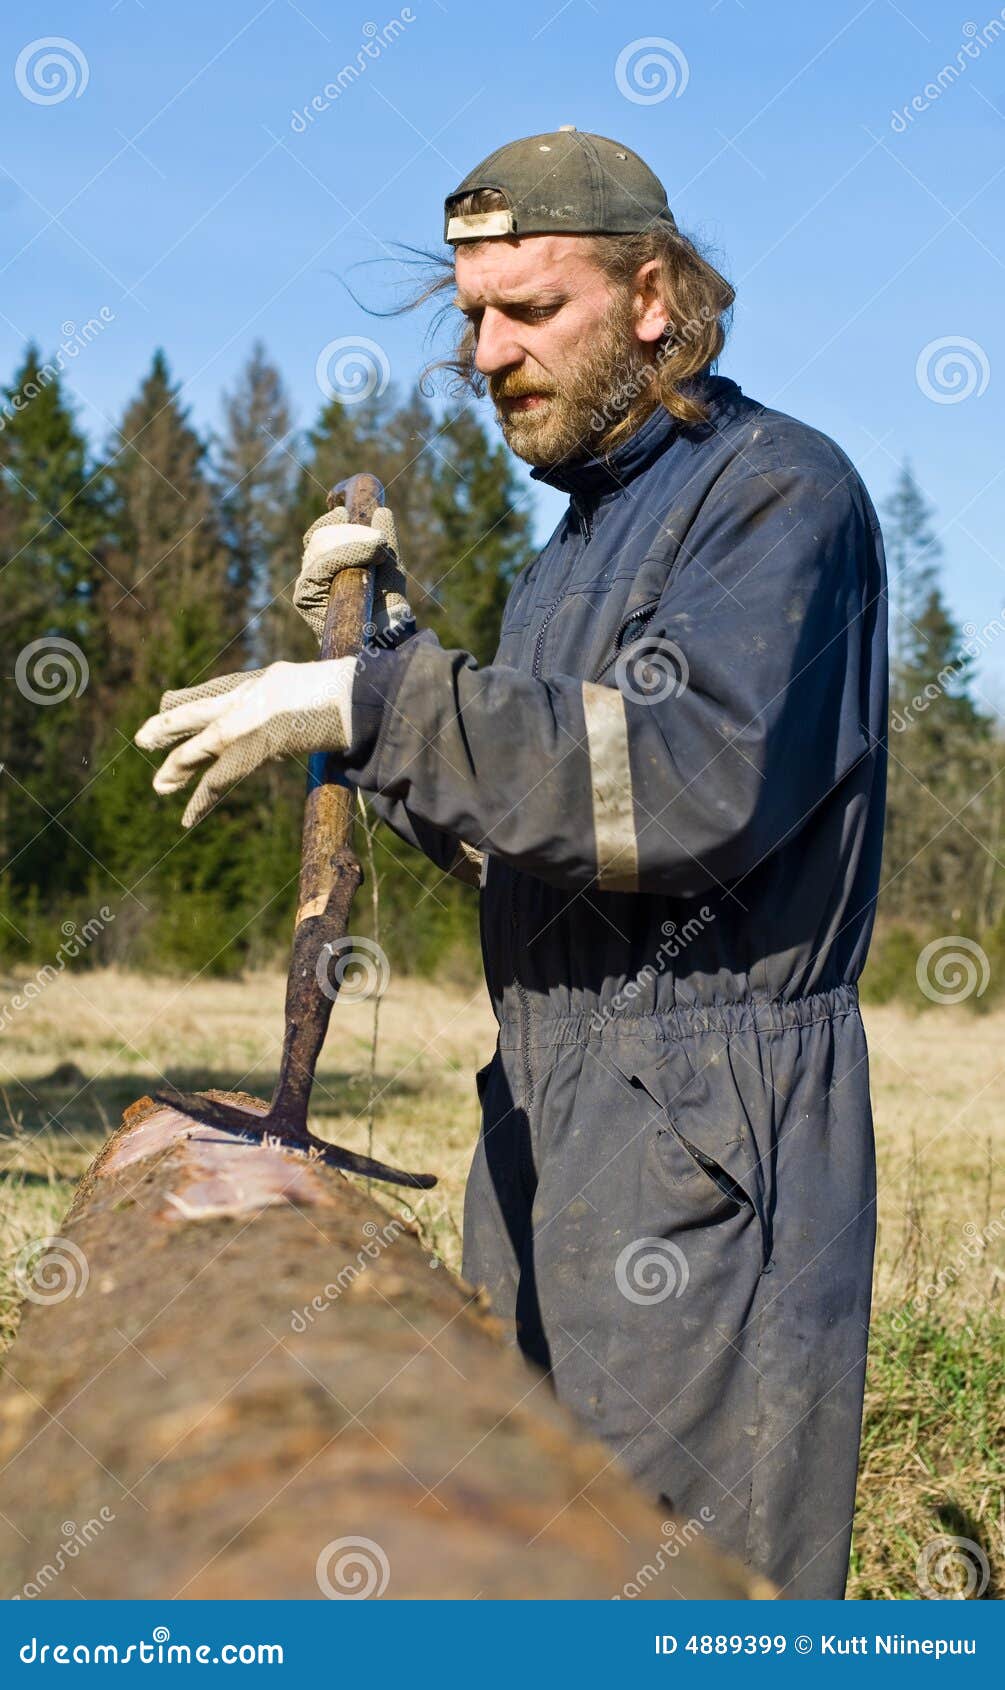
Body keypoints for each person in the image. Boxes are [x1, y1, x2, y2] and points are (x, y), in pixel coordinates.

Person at [135, 128, 888, 1599]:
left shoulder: (776, 499)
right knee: (532, 1563)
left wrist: (378, 702)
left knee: (679, 1584)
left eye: (528, 310)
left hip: (705, 1129)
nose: (485, 354)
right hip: (544, 1112)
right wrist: (384, 659)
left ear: (653, 293)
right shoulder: (571, 558)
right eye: (471, 317)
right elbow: (526, 834)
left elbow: (688, 784)